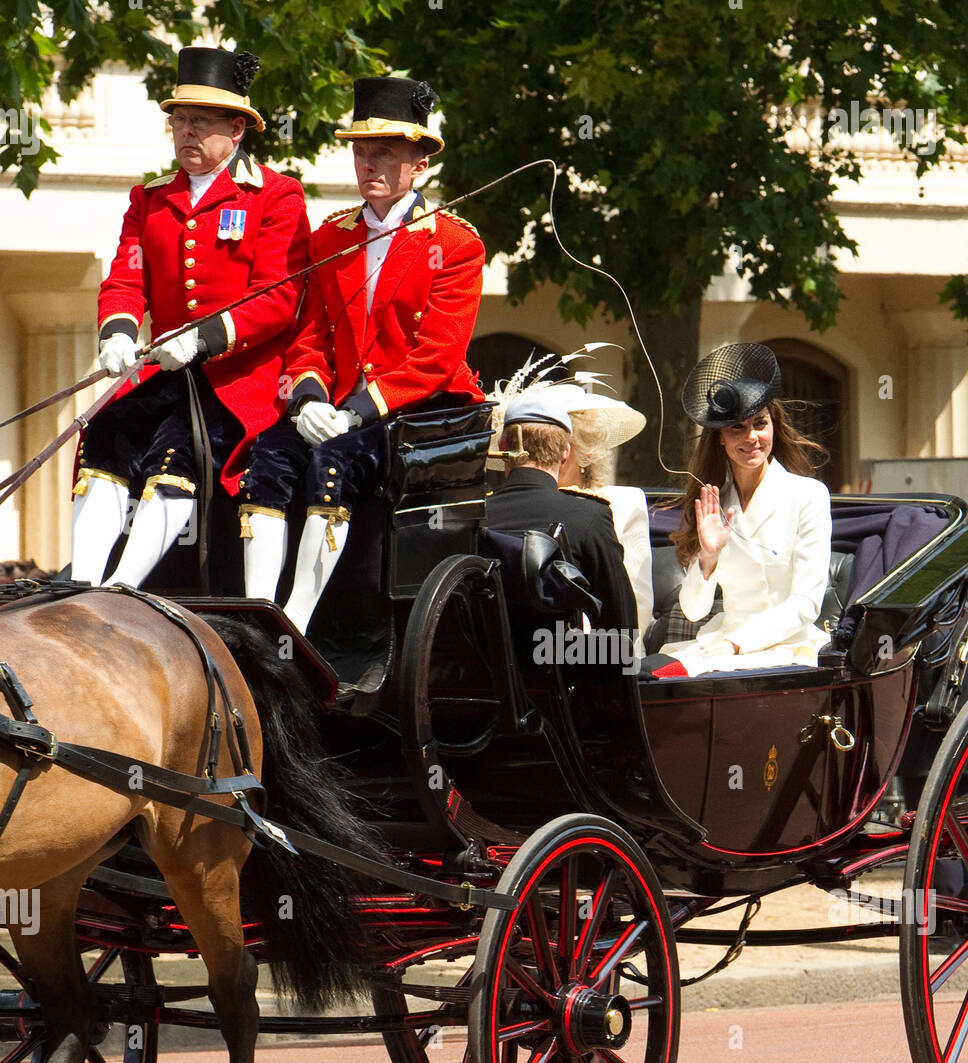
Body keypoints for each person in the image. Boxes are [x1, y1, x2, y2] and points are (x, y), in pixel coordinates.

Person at [239, 75, 485, 634]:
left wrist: (356, 410)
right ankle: (258, 617)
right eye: (361, 152)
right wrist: (306, 397)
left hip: (419, 405)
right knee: (269, 459)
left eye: (385, 155)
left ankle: (296, 622)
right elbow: (312, 336)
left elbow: (437, 357)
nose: (368, 165)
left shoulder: (455, 242)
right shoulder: (329, 238)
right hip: (339, 402)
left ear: (419, 165)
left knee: (334, 463)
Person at [71, 46, 310, 587]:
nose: (186, 132)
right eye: (179, 121)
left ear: (237, 130)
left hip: (238, 380)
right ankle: (82, 585)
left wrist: (203, 339)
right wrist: (119, 332)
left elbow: (276, 299)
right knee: (103, 431)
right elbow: (127, 280)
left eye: (200, 122)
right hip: (167, 372)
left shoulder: (276, 196)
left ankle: (120, 589)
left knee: (174, 448)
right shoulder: (149, 199)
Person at [655, 342, 831, 677]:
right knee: (656, 677)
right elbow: (693, 611)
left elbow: (806, 603)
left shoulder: (808, 496)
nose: (751, 437)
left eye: (760, 423)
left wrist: (735, 644)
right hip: (720, 646)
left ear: (773, 427)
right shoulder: (712, 504)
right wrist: (708, 554)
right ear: (720, 438)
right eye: (737, 427)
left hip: (789, 648)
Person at [486, 395, 639, 647]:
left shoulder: (473, 517)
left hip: (479, 680)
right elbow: (621, 625)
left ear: (503, 447)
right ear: (565, 452)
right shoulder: (589, 516)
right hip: (560, 676)